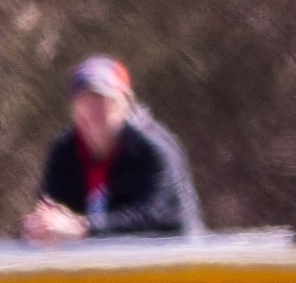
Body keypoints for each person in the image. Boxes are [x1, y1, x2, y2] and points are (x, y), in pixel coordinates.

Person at [21, 55, 202, 243]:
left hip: (172, 263)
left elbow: (153, 218)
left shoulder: (152, 150)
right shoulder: (63, 152)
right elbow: (53, 211)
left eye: (102, 99)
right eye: (84, 99)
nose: (92, 110)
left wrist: (83, 227)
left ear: (125, 104)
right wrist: (37, 227)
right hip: (97, 267)